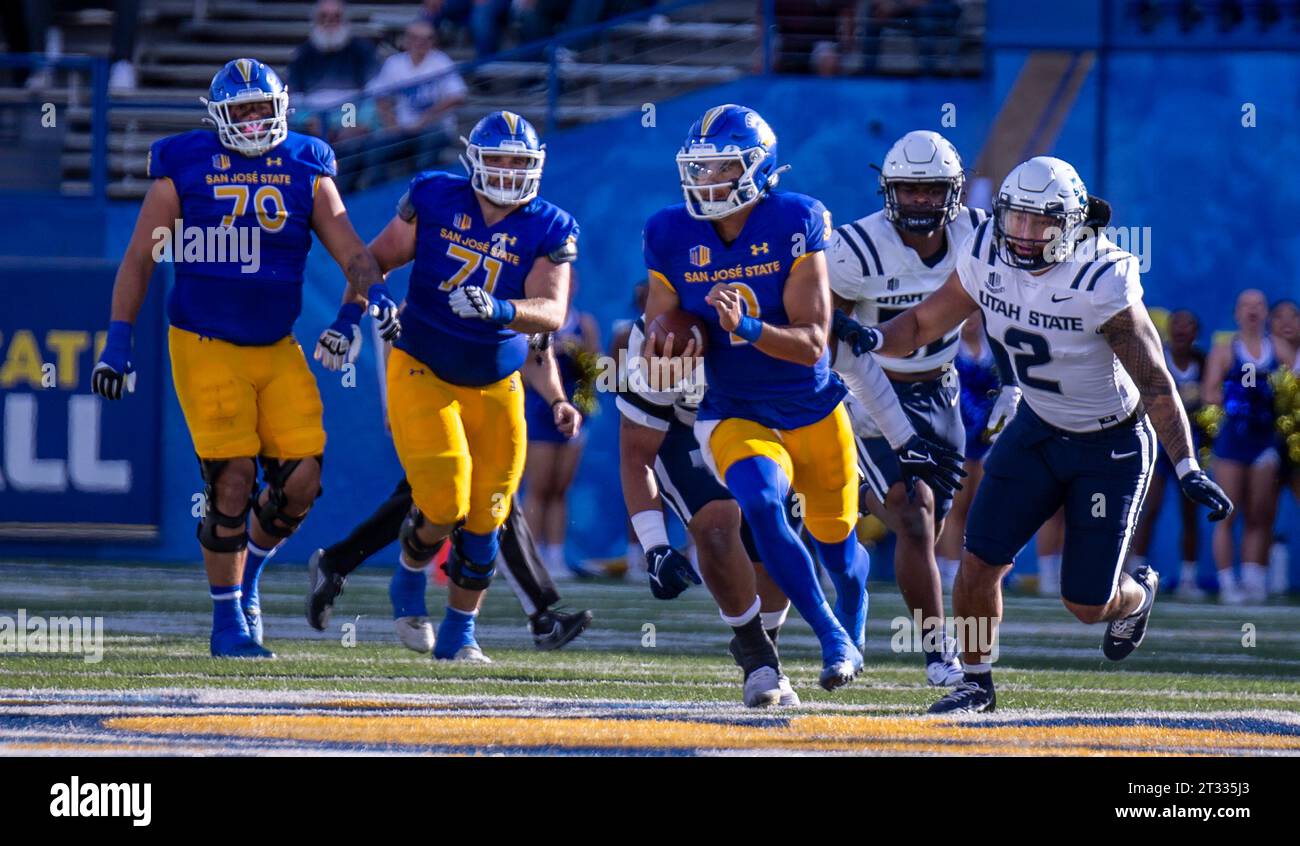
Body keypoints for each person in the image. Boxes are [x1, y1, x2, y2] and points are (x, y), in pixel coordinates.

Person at [857, 155, 1232, 712]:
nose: (1025, 235)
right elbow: (918, 324)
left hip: (1111, 445)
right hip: (1037, 426)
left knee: (1085, 602)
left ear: (1073, 224)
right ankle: (976, 683)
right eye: (1016, 219)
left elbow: (1154, 381)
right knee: (981, 559)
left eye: (1042, 223)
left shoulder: (1099, 277)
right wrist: (863, 338)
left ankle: (1136, 595)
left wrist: (1188, 466)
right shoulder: (985, 249)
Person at [641, 104, 963, 692]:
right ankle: (830, 635)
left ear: (758, 170)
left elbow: (815, 344)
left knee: (840, 548)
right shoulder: (668, 231)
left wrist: (748, 329)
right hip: (733, 409)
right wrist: (665, 342)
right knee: (760, 504)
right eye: (700, 168)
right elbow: (661, 319)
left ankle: (853, 609)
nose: (705, 181)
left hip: (813, 407)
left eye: (721, 169)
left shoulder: (798, 220)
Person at [90, 58, 399, 658]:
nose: (256, 122)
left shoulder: (307, 165)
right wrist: (119, 340)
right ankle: (227, 620)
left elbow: (355, 253)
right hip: (204, 343)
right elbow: (140, 259)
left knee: (303, 482)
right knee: (232, 478)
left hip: (275, 345)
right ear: (219, 117)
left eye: (265, 109)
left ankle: (249, 574)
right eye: (244, 111)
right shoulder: (183, 166)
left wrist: (361, 306)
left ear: (283, 109)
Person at [359, 111, 577, 663]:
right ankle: (408, 574)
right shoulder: (434, 196)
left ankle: (461, 632)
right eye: (498, 160)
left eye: (519, 163)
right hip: (423, 367)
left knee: (490, 515)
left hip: (499, 383)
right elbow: (372, 260)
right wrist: (371, 305)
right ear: (473, 161)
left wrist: (559, 396)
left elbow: (551, 315)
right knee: (444, 499)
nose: (508, 172)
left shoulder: (550, 227)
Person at [306, 333, 593, 653]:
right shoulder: (458, 287)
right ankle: (530, 616)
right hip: (434, 391)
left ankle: (338, 564)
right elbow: (400, 320)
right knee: (463, 499)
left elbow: (536, 347)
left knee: (474, 498)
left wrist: (558, 399)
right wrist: (395, 397)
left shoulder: (536, 293)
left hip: (489, 392)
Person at [828, 129, 985, 687]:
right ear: (888, 190)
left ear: (954, 190)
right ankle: (940, 654)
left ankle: (855, 529)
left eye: (931, 188)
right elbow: (833, 346)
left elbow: (1013, 304)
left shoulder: (977, 233)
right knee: (913, 516)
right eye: (908, 188)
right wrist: (897, 431)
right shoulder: (857, 248)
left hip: (941, 391)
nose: (919, 199)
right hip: (871, 391)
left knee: (931, 525)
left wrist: (1012, 384)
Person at [618, 313, 799, 706]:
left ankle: (766, 644)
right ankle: (758, 657)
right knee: (717, 525)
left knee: (773, 537)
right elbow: (636, 451)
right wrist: (655, 546)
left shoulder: (779, 311)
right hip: (685, 434)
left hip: (763, 426)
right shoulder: (661, 334)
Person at [1203, 290, 1279, 604]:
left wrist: (1274, 401)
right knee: (1227, 512)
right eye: (1246, 306)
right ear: (1237, 313)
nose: (1252, 311)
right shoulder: (1224, 349)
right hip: (1232, 441)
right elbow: (1208, 391)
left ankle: (1253, 580)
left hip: (1264, 442)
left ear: (1266, 313)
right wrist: (1237, 401)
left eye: (1259, 306)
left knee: (1259, 514)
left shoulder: (1279, 348)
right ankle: (1227, 583)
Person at [1127, 308, 1208, 598]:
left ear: (1197, 333)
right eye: (1177, 324)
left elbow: (1212, 400)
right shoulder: (1156, 356)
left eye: (1189, 325)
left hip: (1190, 446)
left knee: (1190, 512)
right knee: (1150, 508)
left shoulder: (1203, 361)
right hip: (1159, 444)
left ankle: (1188, 577)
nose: (1182, 330)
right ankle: (1135, 573)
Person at [522, 285, 601, 579]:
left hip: (574, 410)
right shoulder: (534, 320)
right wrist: (550, 352)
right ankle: (529, 557)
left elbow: (595, 371)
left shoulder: (584, 323)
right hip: (541, 411)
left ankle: (555, 556)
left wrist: (578, 353)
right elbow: (525, 369)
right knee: (538, 487)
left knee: (560, 488)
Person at [936, 310, 1001, 592]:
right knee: (956, 506)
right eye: (966, 313)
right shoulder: (948, 347)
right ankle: (949, 571)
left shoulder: (995, 344)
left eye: (976, 313)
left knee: (980, 508)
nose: (970, 319)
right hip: (955, 433)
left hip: (989, 436)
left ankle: (971, 569)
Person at [363, 19, 467, 183]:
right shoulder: (395, 63)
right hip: (402, 129)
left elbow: (457, 96)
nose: (421, 43)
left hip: (435, 127)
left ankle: (419, 193)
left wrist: (426, 119)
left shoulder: (441, 61)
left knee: (427, 146)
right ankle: (375, 195)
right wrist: (391, 122)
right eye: (416, 38)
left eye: (428, 38)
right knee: (377, 147)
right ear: (407, 40)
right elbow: (378, 94)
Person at [287, 1, 379, 136]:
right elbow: (295, 96)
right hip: (313, 113)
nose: (329, 21)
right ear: (316, 21)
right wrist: (307, 121)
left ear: (345, 21)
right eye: (323, 17)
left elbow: (374, 91)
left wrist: (357, 124)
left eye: (336, 17)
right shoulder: (303, 53)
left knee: (353, 140)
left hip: (350, 109)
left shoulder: (362, 49)